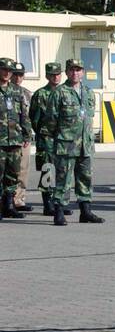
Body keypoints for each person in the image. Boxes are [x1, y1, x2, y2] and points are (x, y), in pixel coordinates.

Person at [47, 59, 103, 225]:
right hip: (66, 145)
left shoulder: (88, 92)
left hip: (85, 144)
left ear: (83, 72)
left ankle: (85, 211)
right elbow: (51, 120)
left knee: (85, 178)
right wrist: (53, 142)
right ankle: (58, 211)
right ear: (67, 72)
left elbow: (89, 116)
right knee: (63, 180)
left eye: (78, 70)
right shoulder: (59, 92)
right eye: (72, 70)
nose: (75, 73)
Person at [28, 61, 63, 216]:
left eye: (57, 74)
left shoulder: (65, 92)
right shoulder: (41, 94)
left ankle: (59, 203)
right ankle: (48, 205)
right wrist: (44, 134)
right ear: (47, 76)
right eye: (52, 74)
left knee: (62, 172)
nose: (55, 77)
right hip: (47, 139)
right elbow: (34, 118)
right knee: (47, 171)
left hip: (63, 139)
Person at [0, 58, 32, 220]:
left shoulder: (17, 91)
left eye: (10, 71)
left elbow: (23, 115)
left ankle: (9, 206)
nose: (7, 73)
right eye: (4, 70)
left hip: (14, 140)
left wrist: (27, 134)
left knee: (13, 174)